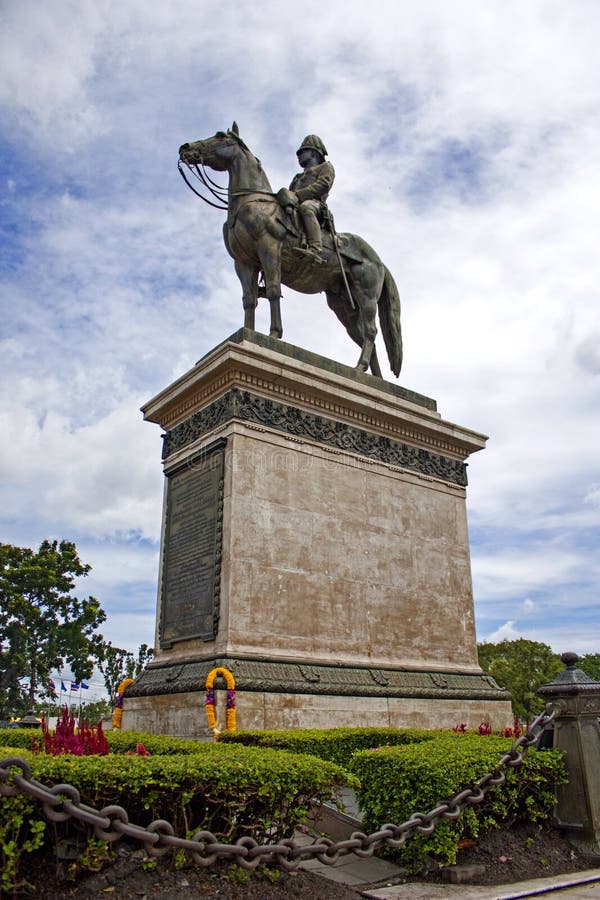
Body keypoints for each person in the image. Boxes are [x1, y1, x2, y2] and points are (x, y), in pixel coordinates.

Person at [284, 135, 335, 264]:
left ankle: (315, 249)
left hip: (315, 205)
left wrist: (299, 195)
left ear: (313, 152)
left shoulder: (325, 167)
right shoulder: (297, 177)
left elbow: (323, 185)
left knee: (306, 208)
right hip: (296, 204)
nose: (298, 155)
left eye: (302, 152)